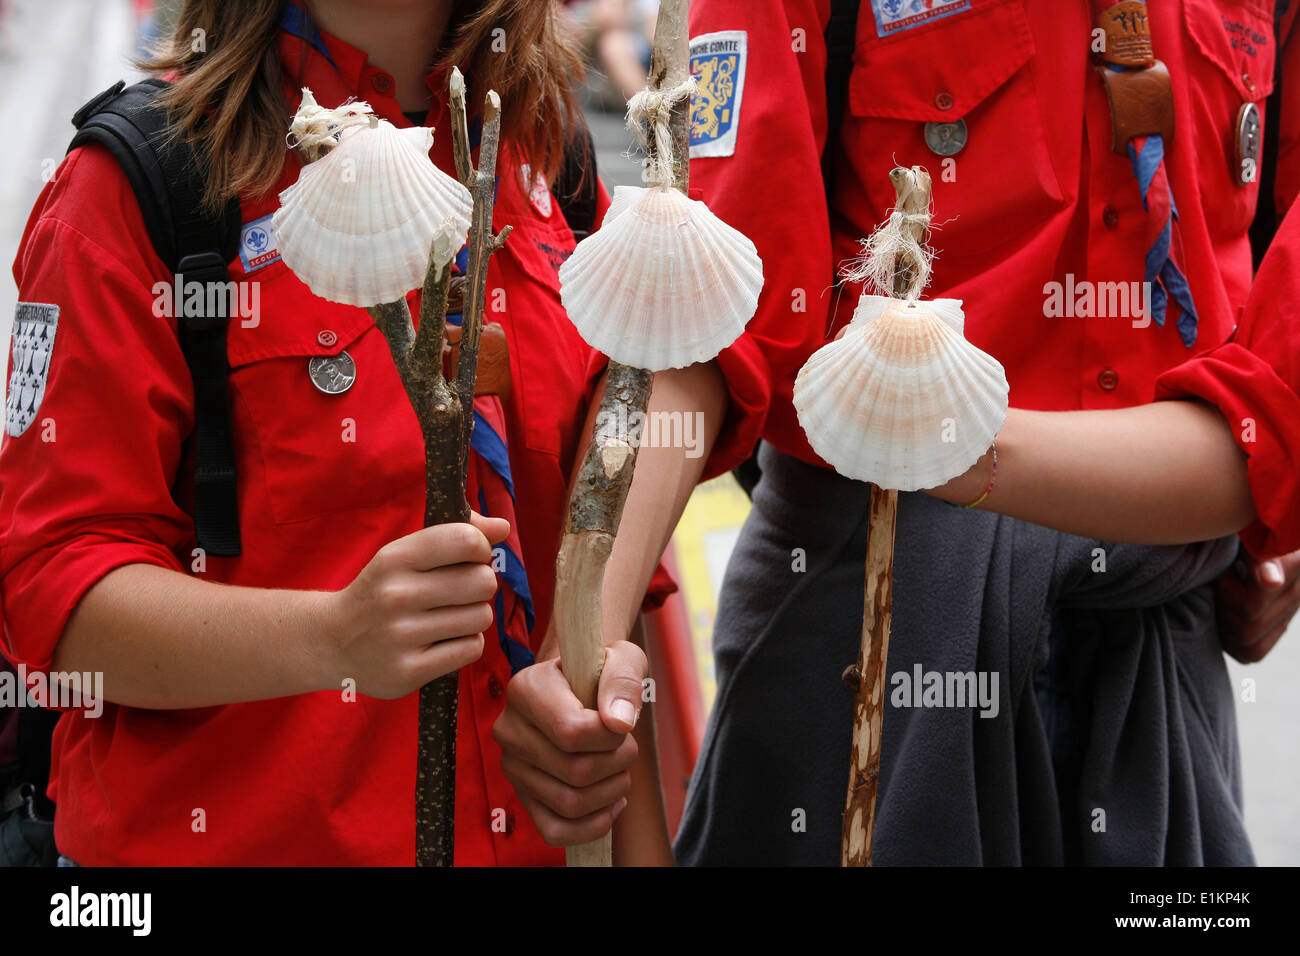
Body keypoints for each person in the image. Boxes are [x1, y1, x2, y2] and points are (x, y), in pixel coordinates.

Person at [0, 0, 697, 866]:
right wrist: (330, 638)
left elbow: (601, 536)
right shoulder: (151, 177)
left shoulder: (549, 153)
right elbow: (50, 597)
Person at [653, 0, 1300, 865]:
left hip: (1161, 631)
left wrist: (1267, 499)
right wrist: (587, 638)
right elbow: (710, 320)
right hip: (875, 606)